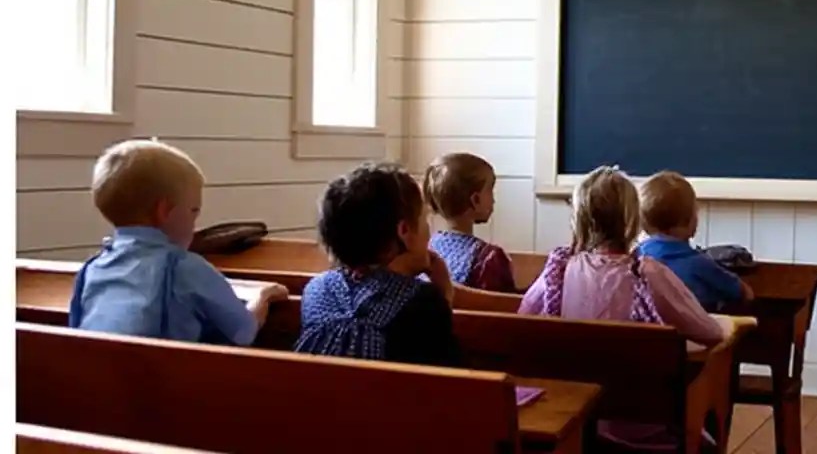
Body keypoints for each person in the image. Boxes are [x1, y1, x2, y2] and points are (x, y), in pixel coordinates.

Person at [519, 165, 724, 450]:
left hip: (574, 420)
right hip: (641, 431)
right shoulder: (647, 274)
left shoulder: (559, 271)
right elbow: (711, 334)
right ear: (633, 220)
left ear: (579, 218)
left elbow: (523, 319)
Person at [69, 139, 287, 344]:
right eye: (194, 210)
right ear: (164, 211)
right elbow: (244, 332)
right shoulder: (185, 267)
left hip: (94, 378)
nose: (195, 221)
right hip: (162, 380)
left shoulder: (93, 268)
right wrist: (263, 295)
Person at [295, 162, 460, 366]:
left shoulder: (318, 289)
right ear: (405, 231)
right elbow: (449, 382)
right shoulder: (424, 301)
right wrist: (445, 296)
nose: (428, 229)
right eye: (424, 218)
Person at [635, 170, 753, 312]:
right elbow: (746, 294)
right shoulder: (699, 264)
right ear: (691, 221)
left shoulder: (635, 257)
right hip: (693, 333)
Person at [425, 153, 516, 292]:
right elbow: (508, 305)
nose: (493, 200)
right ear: (476, 200)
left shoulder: (428, 248)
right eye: (490, 191)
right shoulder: (490, 259)